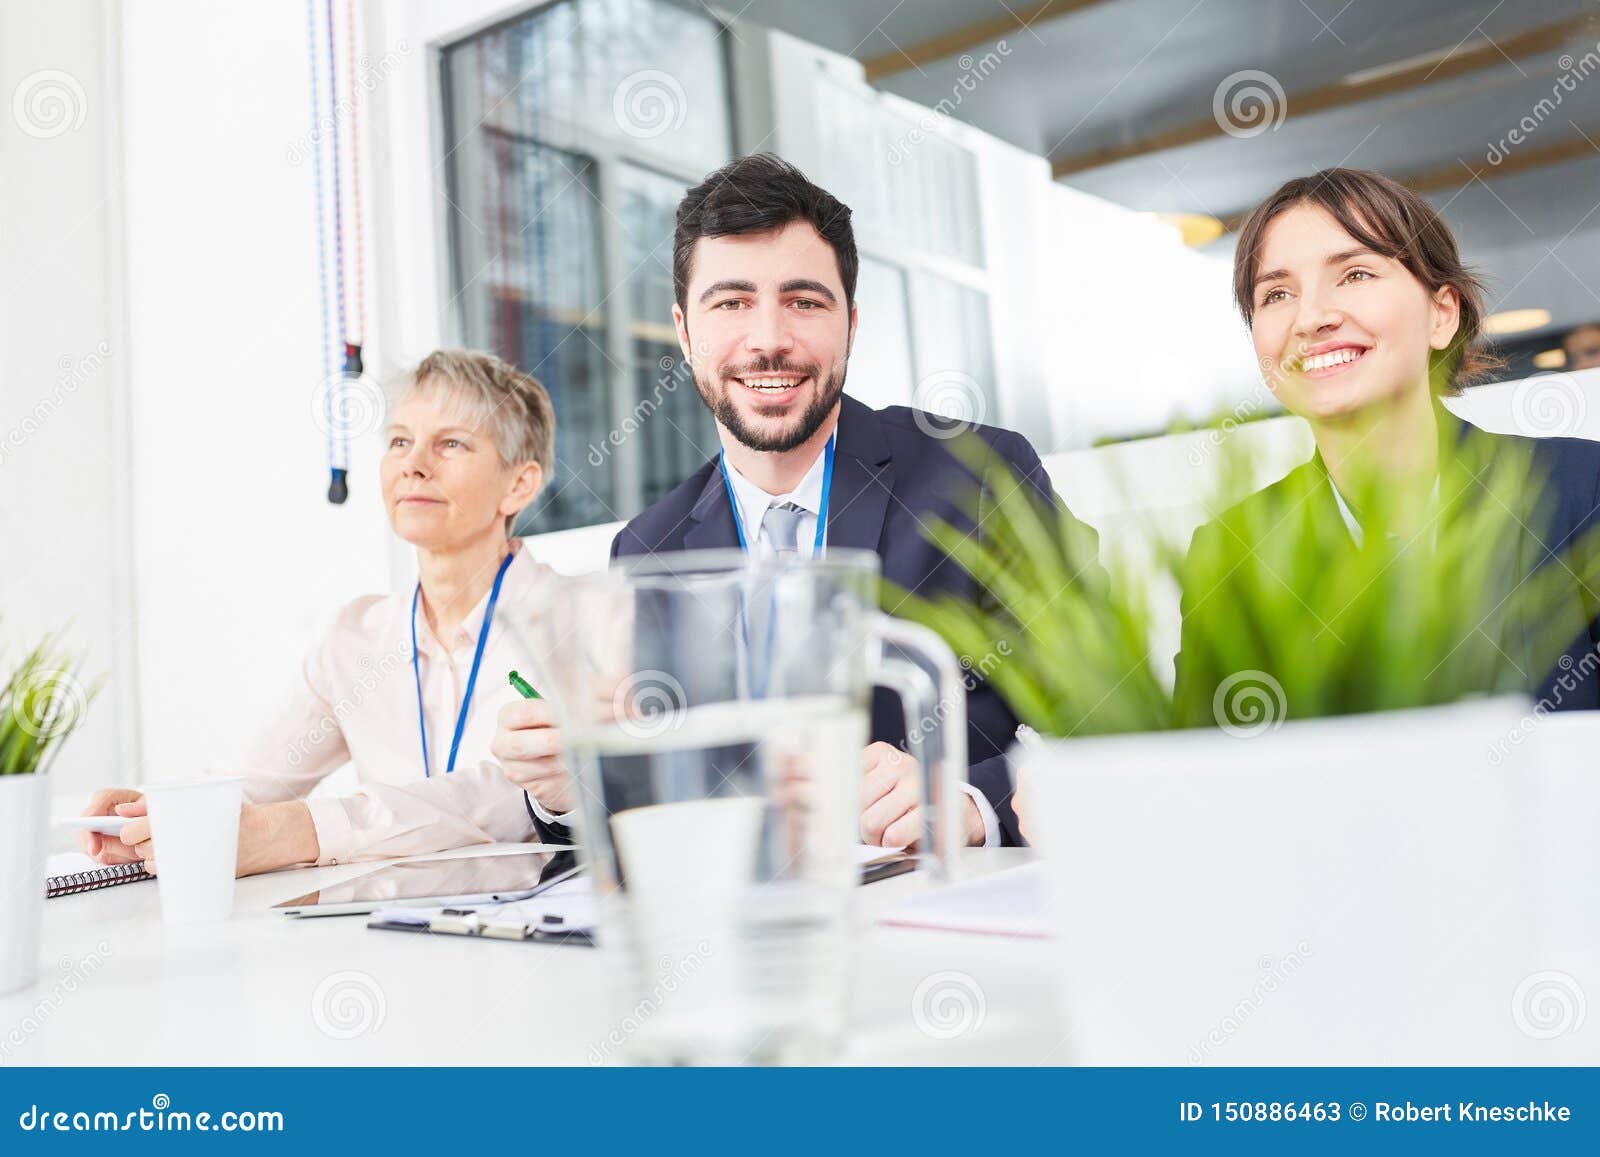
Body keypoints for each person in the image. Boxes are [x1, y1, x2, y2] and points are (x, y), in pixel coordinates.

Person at [492, 153, 1100, 849]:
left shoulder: (982, 475)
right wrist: (573, 787)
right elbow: (666, 794)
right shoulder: (648, 548)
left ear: (851, 322)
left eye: (805, 301)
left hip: (942, 914)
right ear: (685, 333)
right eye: (731, 303)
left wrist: (971, 802)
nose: (770, 340)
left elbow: (1117, 714)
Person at [80, 350, 562, 875]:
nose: (414, 464)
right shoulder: (354, 636)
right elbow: (256, 780)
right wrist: (154, 815)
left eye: (450, 443)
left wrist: (295, 832)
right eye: (400, 440)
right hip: (394, 931)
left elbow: (514, 796)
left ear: (519, 484)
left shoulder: (577, 622)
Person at [1173, 167, 1600, 717]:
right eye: (1276, 293)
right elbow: (1203, 783)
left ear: (1441, 315)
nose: (1311, 318)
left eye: (1354, 274)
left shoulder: (1580, 490)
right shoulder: (1231, 553)